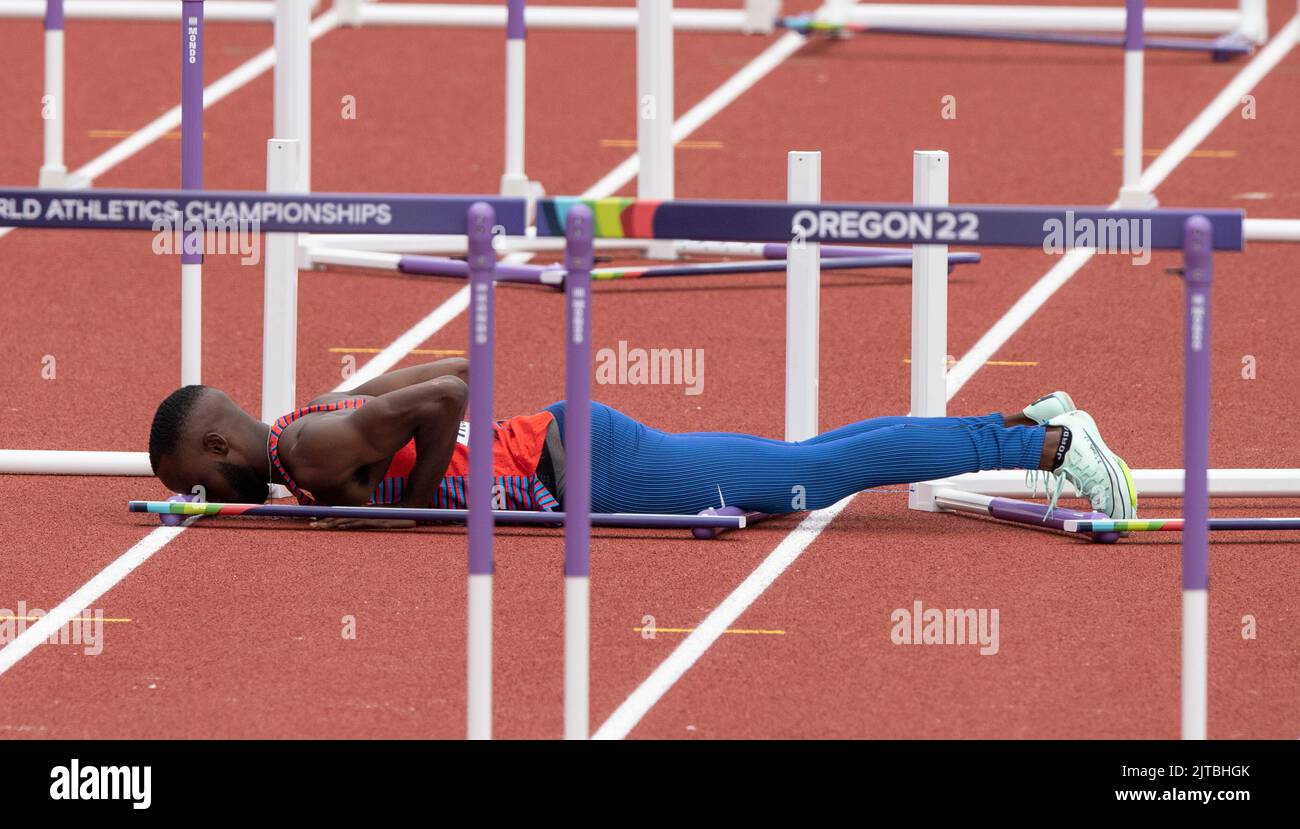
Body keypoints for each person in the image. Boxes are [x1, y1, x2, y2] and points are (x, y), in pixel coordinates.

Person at [147, 357, 1137, 530]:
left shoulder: (307, 451)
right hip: (572, 444)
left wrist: (409, 503)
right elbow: (435, 379)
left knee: (817, 473)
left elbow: (448, 385)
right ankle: (1018, 422)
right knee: (808, 459)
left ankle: (1055, 447)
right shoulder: (304, 425)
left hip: (583, 466)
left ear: (218, 445)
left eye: (198, 483)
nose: (208, 496)